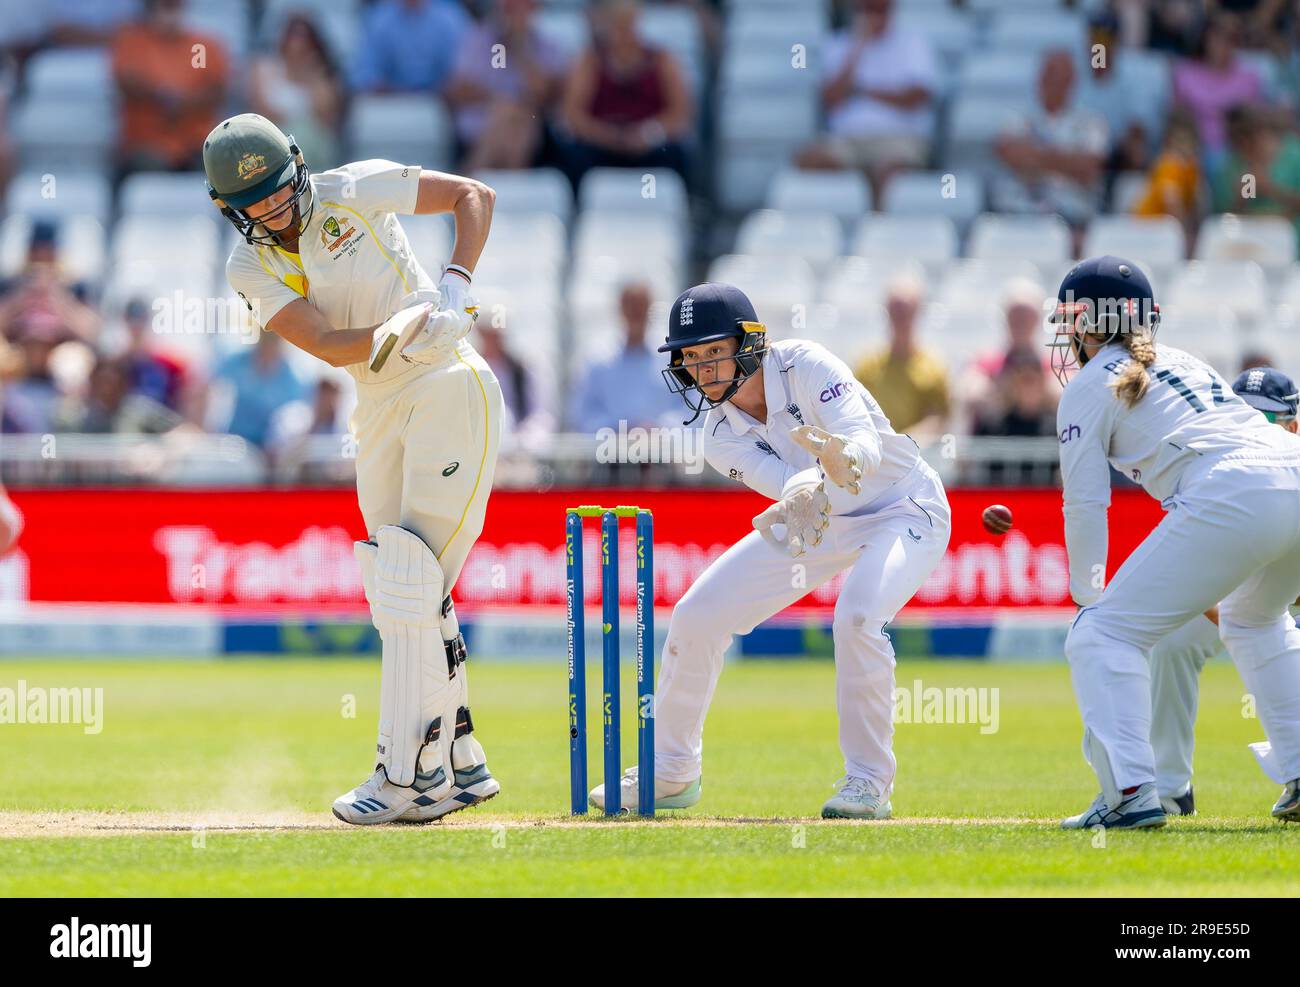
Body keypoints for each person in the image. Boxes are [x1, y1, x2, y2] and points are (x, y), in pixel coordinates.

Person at [203, 112, 503, 824]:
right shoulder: (248, 265)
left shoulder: (350, 188)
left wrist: (454, 285)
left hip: (444, 378)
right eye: (256, 205)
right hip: (376, 397)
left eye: (280, 191)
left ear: (299, 168)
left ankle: (406, 777)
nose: (274, 210)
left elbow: (474, 195)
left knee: (410, 578)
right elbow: (330, 344)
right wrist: (394, 329)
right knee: (399, 581)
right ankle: (461, 759)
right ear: (229, 210)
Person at [588, 282, 952, 818]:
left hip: (903, 505)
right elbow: (792, 486)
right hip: (819, 517)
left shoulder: (804, 364)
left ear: (750, 344)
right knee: (697, 615)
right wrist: (804, 487)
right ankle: (671, 769)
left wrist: (845, 456)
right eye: (691, 357)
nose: (704, 369)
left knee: (855, 619)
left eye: (715, 352)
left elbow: (865, 438)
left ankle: (868, 782)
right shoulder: (717, 435)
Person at [1051, 255, 1300, 828]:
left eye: (1070, 320)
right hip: (1289, 473)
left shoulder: (1089, 385)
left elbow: (1085, 503)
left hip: (1237, 489)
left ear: (1091, 320)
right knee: (1254, 619)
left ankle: (1132, 793)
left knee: (1102, 635)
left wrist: (1088, 596)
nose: (1066, 334)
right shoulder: (1185, 359)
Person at [1148, 366, 1300, 817]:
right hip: (1244, 607)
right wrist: (1231, 612)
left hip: (1277, 612)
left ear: (1293, 424)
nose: (1254, 425)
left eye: (1266, 417)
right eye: (1245, 414)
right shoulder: (1214, 464)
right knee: (1172, 637)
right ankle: (1169, 787)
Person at [794, 0, 937, 209]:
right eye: (868, 8)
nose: (874, 16)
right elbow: (831, 99)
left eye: (880, 9)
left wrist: (863, 92)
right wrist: (857, 48)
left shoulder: (913, 42)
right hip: (847, 141)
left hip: (897, 137)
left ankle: (880, 232)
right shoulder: (838, 44)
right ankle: (835, 228)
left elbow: (917, 97)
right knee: (810, 161)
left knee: (888, 172)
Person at [557, 0, 692, 188]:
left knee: (672, 154)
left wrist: (646, 134)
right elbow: (573, 115)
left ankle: (666, 206)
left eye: (627, 23)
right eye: (616, 24)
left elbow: (679, 114)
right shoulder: (590, 61)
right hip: (601, 144)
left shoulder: (662, 60)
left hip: (647, 144)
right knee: (575, 155)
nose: (623, 31)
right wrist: (607, 136)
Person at [444, 0, 570, 171]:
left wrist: (520, 48)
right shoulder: (477, 39)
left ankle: (470, 179)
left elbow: (544, 94)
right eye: (510, 8)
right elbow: (458, 90)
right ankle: (511, 187)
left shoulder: (547, 46)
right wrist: (499, 100)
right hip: (481, 126)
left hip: (527, 128)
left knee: (517, 118)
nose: (515, 14)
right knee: (509, 115)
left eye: (522, 7)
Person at [992, 49, 1109, 231]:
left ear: (1072, 83)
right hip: (1017, 216)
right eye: (1049, 76)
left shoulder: (1091, 122)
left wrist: (1035, 154)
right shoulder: (1015, 118)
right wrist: (1066, 159)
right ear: (1039, 79)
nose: (1053, 84)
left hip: (1073, 220)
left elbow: (1088, 168)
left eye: (1060, 79)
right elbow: (1012, 156)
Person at [111, 0, 230, 174]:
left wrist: (183, 103)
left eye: (175, 6)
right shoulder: (132, 41)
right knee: (147, 166)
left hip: (196, 143)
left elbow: (217, 88)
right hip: (146, 144)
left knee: (221, 168)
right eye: (166, 6)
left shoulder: (202, 45)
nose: (170, 13)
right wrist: (160, 96)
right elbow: (126, 80)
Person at [568, 282, 677, 432]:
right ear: (620, 310)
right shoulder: (596, 359)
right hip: (606, 452)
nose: (635, 314)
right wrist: (619, 430)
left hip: (667, 451)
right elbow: (582, 414)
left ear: (650, 309)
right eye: (630, 307)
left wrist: (660, 428)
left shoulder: (671, 356)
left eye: (640, 308)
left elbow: (689, 407)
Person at [851, 274, 949, 440]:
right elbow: (855, 409)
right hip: (875, 452)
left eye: (906, 311)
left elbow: (940, 418)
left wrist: (904, 442)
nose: (900, 318)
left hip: (917, 458)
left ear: (918, 312)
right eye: (895, 310)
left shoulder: (934, 367)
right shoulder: (867, 364)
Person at [248, 12, 343, 170]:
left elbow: (326, 117)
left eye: (304, 38)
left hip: (313, 146)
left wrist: (307, 74)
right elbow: (261, 113)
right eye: (294, 36)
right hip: (273, 142)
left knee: (307, 135)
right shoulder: (263, 69)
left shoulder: (322, 74)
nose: (298, 44)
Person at [1172, 12, 1262, 178]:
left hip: (1235, 150)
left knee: (1226, 163)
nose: (1223, 43)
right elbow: (1178, 119)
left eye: (1231, 38)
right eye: (1217, 35)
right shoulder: (1185, 73)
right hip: (1194, 147)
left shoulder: (1249, 77)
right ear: (1205, 37)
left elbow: (1252, 124)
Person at [350, 0, 472, 94]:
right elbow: (366, 75)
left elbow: (460, 74)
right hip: (389, 103)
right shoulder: (378, 19)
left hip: (441, 105)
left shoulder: (451, 19)